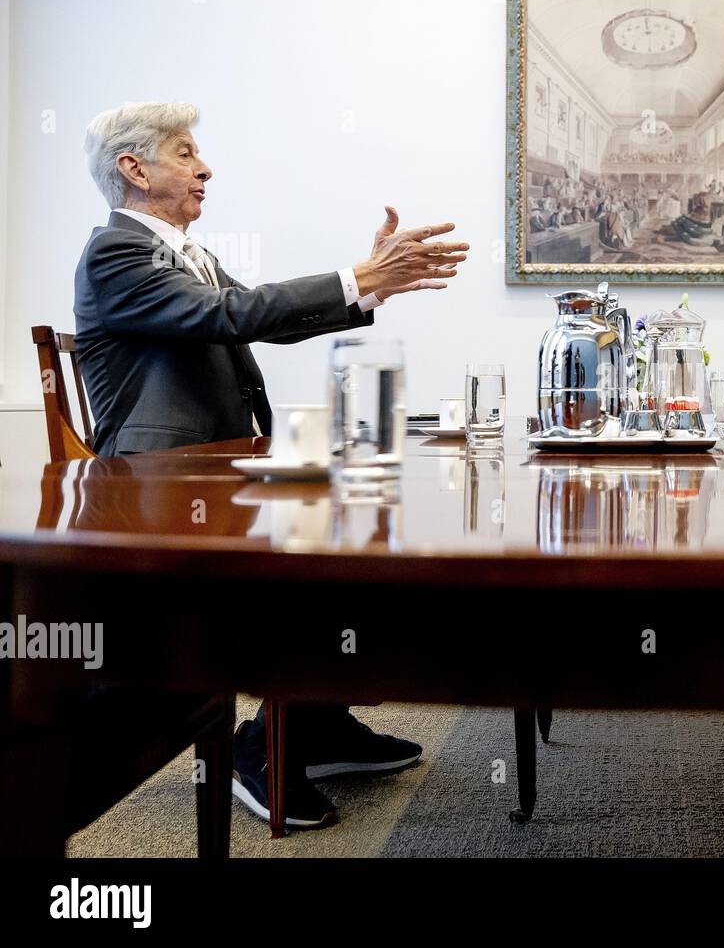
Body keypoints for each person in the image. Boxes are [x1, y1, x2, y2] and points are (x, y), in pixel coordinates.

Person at [75, 101, 471, 830]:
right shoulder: (117, 252)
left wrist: (370, 289)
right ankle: (261, 745)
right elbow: (230, 315)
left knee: (374, 526)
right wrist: (354, 275)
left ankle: (316, 722)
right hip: (161, 490)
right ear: (133, 169)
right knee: (329, 551)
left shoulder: (179, 251)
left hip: (221, 474)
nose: (206, 167)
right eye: (186, 152)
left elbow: (254, 314)